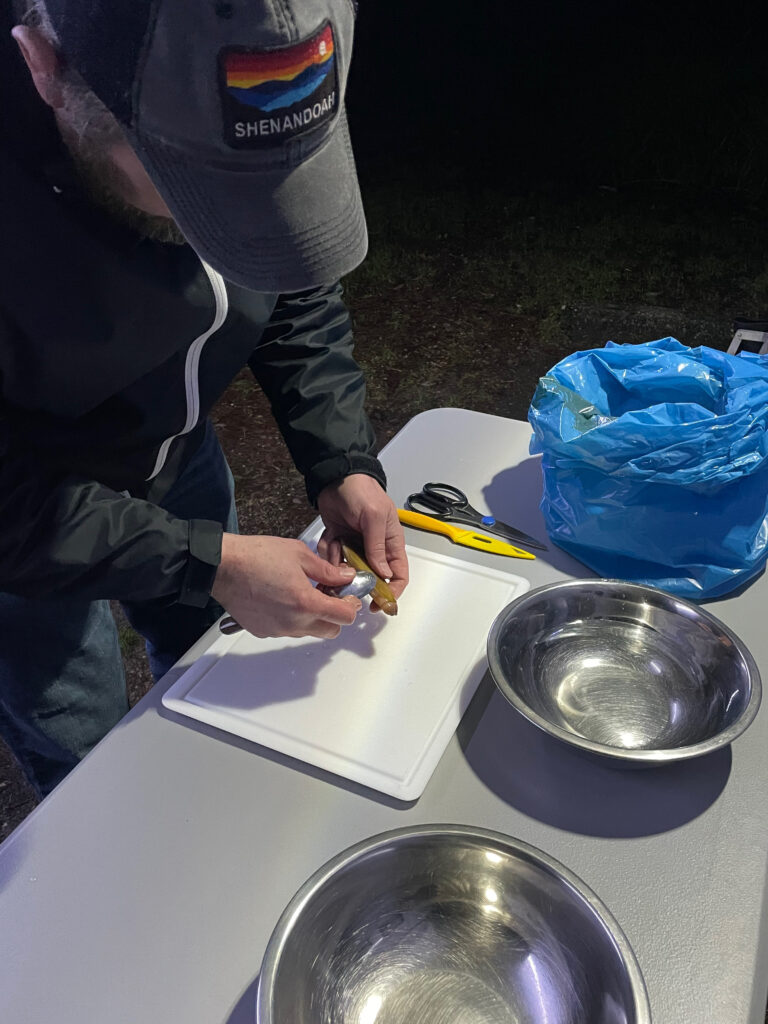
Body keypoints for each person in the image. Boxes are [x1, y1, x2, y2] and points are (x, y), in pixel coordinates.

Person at [0, 0, 409, 798]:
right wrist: (207, 562)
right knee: (89, 771)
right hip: (28, 528)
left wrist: (341, 459)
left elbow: (288, 274)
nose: (237, 227)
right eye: (197, 185)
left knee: (207, 680)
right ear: (45, 68)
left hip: (180, 457)